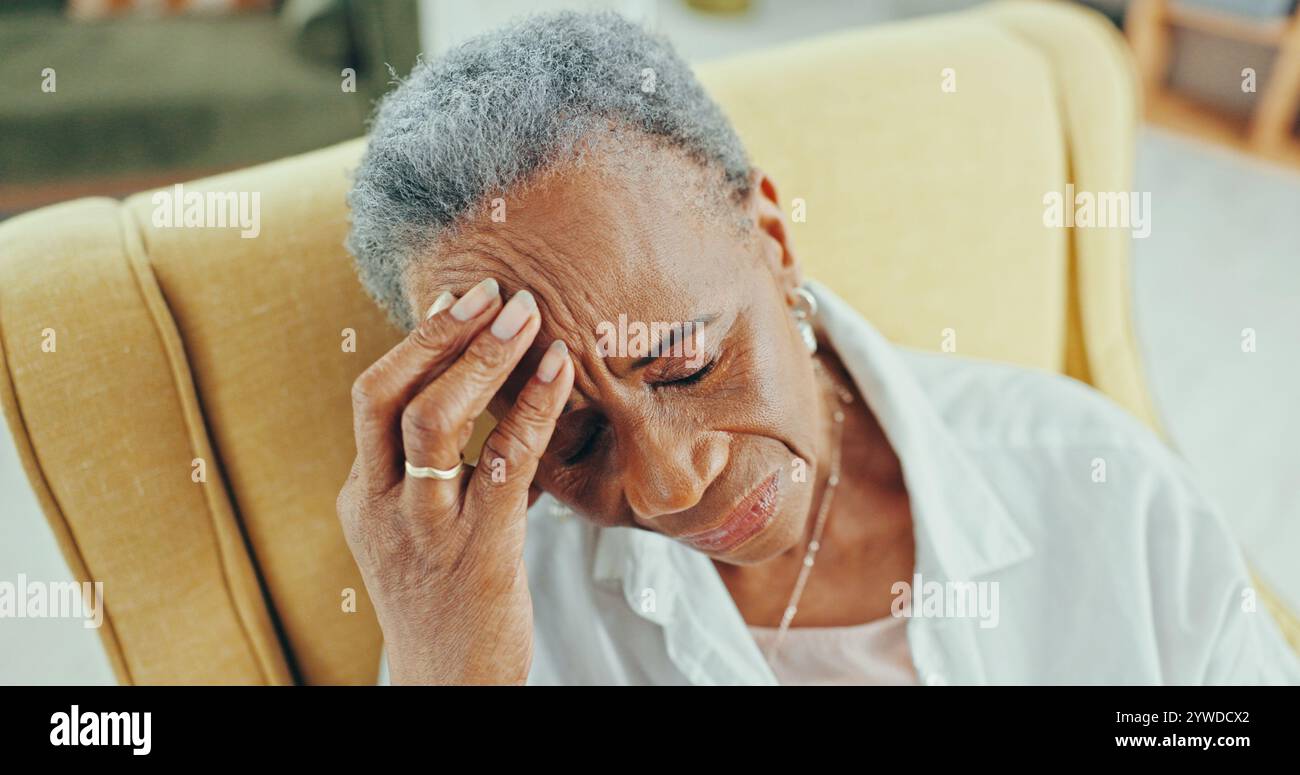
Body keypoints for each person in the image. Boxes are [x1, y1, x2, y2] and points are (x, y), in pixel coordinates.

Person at [337, 11, 1300, 685]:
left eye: (686, 364)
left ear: (774, 240)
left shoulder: (1098, 491)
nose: (670, 484)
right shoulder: (486, 617)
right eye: (576, 441)